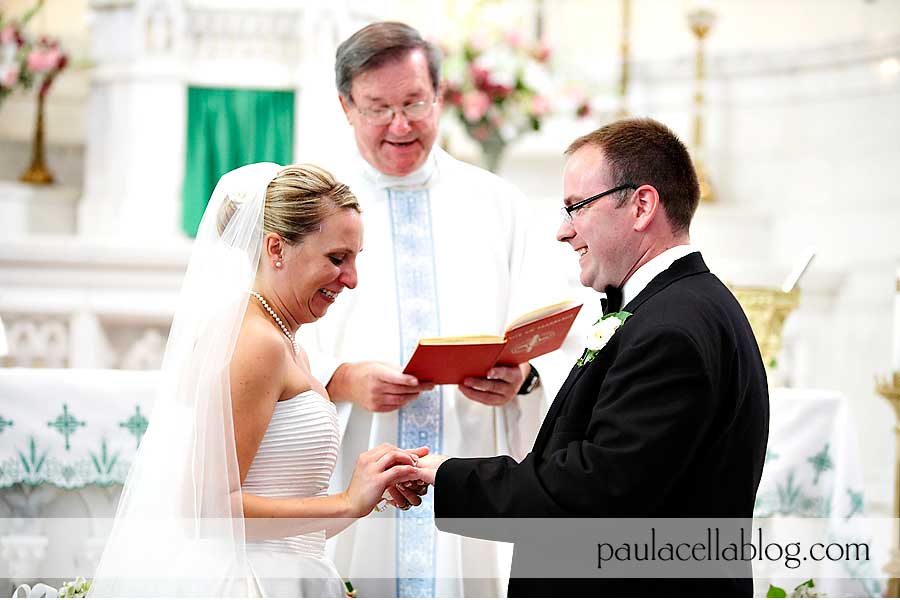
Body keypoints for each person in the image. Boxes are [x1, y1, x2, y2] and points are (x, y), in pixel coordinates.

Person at [417, 118, 770, 597]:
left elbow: (596, 491)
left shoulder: (671, 329)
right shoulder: (674, 307)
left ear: (642, 205)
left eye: (576, 207)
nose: (563, 231)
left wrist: (447, 476)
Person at [298, 21, 574, 598]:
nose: (400, 125)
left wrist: (523, 377)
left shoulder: (496, 203)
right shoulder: (308, 206)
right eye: (379, 108)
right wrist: (340, 378)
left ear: (441, 97)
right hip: (351, 452)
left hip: (470, 449)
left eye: (414, 103)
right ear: (346, 107)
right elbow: (264, 328)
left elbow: (554, 324)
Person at [89, 163, 426, 597]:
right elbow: (207, 510)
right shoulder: (256, 342)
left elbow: (289, 532)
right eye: (337, 258)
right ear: (276, 248)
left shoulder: (287, 343)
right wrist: (345, 501)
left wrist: (367, 493)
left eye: (355, 258)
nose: (352, 279)